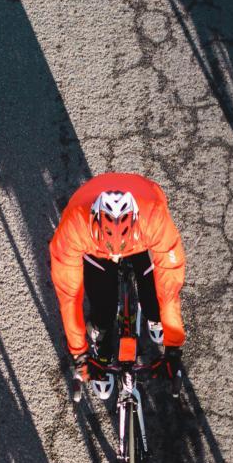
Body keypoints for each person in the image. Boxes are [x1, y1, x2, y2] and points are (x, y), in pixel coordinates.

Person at [49, 171, 186, 400]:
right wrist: (79, 354)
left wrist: (173, 346)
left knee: (156, 302)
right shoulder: (75, 226)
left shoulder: (155, 219)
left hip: (141, 236)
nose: (115, 255)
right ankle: (101, 340)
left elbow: (170, 287)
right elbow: (69, 296)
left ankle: (154, 317)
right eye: (112, 253)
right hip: (95, 244)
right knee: (103, 309)